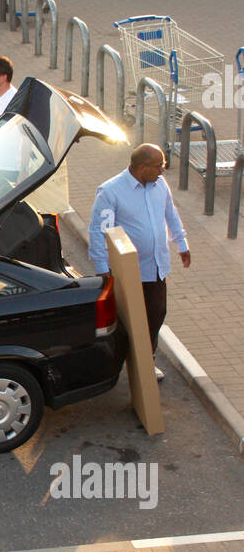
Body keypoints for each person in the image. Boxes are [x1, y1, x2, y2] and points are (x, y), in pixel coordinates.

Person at [87, 143, 191, 379]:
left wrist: (181, 244)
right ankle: (115, 366)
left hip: (155, 268)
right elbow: (98, 231)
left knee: (156, 314)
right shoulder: (111, 191)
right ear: (143, 167)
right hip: (127, 273)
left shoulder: (159, 185)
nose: (163, 170)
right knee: (124, 323)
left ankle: (145, 360)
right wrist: (103, 269)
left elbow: (170, 214)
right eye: (159, 166)